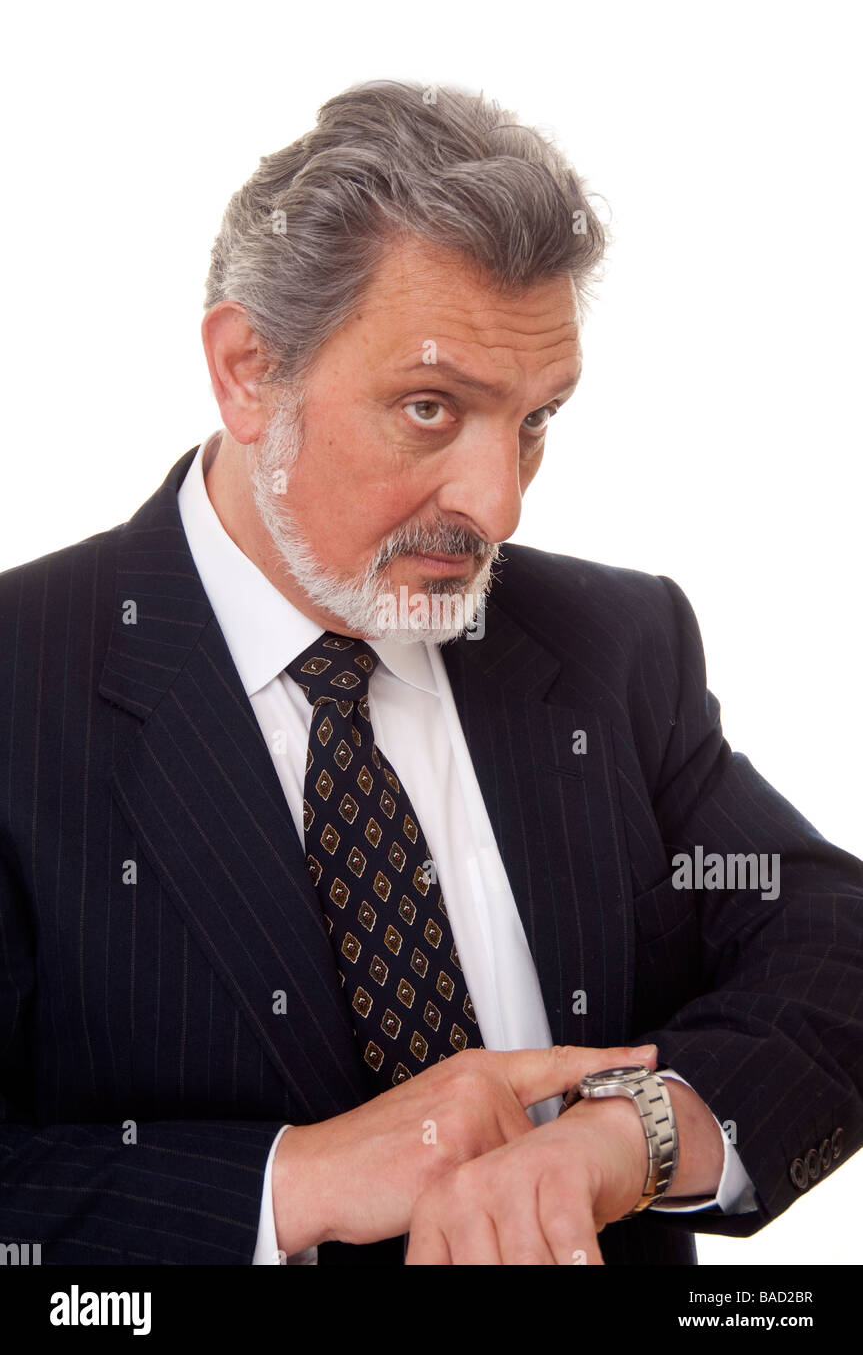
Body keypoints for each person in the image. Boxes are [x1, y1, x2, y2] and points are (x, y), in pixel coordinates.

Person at [0, 80, 860, 1267]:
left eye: (533, 421)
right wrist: (287, 1181)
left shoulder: (611, 644)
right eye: (428, 406)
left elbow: (832, 941)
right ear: (249, 369)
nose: (495, 502)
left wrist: (627, 1139)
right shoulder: (19, 686)